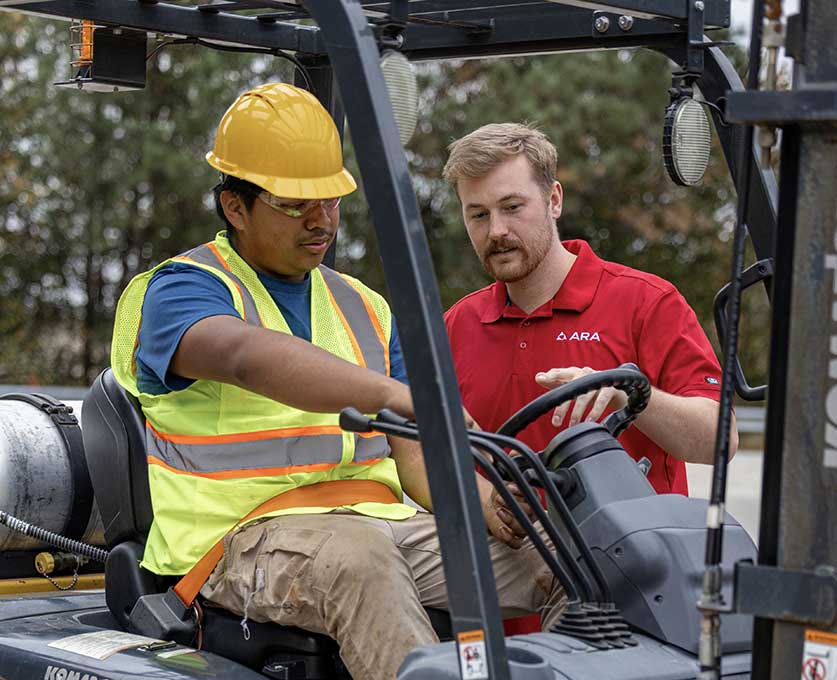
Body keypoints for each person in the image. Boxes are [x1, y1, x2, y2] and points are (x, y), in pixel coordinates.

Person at [110, 84, 564, 680]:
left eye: (330, 199)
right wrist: (396, 394)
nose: (320, 220)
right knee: (361, 561)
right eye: (294, 203)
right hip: (242, 545)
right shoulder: (183, 289)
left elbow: (413, 457)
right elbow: (247, 357)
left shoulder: (365, 306)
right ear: (235, 207)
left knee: (564, 554)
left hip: (378, 525)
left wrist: (483, 503)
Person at [442, 123, 737, 634]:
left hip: (637, 607)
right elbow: (434, 458)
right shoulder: (458, 325)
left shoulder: (645, 302)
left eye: (513, 207)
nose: (496, 232)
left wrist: (633, 394)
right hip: (498, 619)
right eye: (478, 214)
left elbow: (720, 439)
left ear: (554, 199)